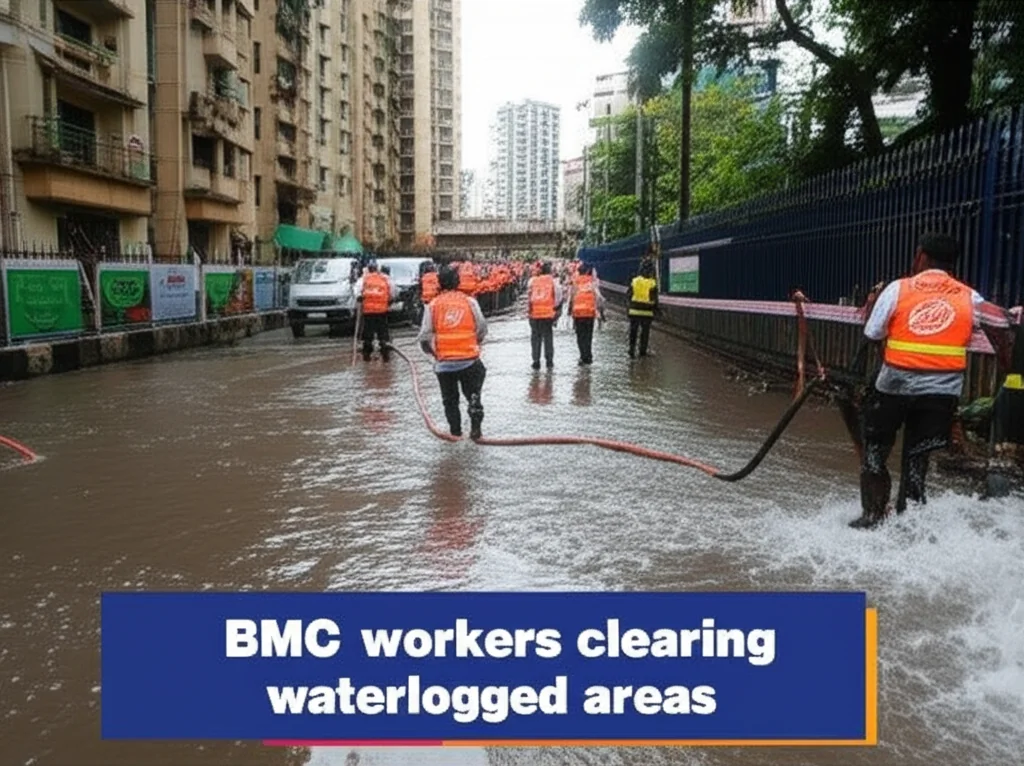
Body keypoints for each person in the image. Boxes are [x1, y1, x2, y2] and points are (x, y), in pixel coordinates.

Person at [849, 233, 1018, 530]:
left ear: (920, 256)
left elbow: (873, 333)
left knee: (875, 452)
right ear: (952, 264)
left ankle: (872, 518)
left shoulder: (898, 289)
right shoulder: (970, 297)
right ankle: (909, 524)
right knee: (918, 458)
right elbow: (1003, 324)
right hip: (941, 394)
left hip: (894, 386)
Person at [418, 265, 488, 440]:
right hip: (470, 360)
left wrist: (434, 355)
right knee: (478, 379)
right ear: (458, 282)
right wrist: (474, 344)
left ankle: (455, 434)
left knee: (450, 401)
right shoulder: (470, 302)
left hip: (445, 365)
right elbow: (482, 329)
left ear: (439, 283)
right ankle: (474, 407)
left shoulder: (432, 305)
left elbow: (424, 337)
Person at [354, 261, 395, 362]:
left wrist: (359, 298)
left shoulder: (363, 279)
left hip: (368, 311)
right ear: (377, 269)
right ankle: (385, 352)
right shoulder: (385, 278)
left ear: (368, 268)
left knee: (368, 332)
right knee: (383, 331)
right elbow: (393, 290)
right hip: (382, 311)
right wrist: (390, 300)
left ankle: (366, 355)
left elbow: (356, 290)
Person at [527, 262, 562, 370]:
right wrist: (554, 309)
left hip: (534, 314)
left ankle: (536, 361)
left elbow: (529, 295)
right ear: (550, 271)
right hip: (547, 314)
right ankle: (549, 361)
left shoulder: (532, 281)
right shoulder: (554, 282)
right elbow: (558, 297)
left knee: (535, 337)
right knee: (548, 337)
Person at [569, 263, 606, 365]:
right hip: (589, 313)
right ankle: (588, 356)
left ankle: (582, 356)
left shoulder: (575, 281)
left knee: (580, 336)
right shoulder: (592, 282)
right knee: (588, 335)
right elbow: (598, 297)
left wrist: (570, 310)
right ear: (587, 271)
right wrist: (600, 311)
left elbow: (572, 296)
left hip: (578, 313)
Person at [627, 260, 658, 358]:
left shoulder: (634, 281)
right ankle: (642, 351)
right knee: (645, 333)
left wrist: (628, 308)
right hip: (647, 312)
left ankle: (631, 350)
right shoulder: (652, 283)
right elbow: (655, 299)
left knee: (633, 331)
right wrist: (656, 310)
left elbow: (628, 295)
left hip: (634, 311)